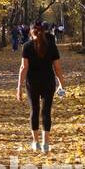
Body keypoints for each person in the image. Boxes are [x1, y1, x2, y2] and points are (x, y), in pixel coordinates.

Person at [17, 21, 65, 153]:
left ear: (30, 32)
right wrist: (61, 84)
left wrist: (19, 87)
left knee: (34, 110)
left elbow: (23, 68)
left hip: (32, 83)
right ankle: (46, 144)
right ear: (43, 31)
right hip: (48, 82)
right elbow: (58, 68)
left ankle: (35, 142)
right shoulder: (52, 46)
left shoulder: (27, 46)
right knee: (46, 111)